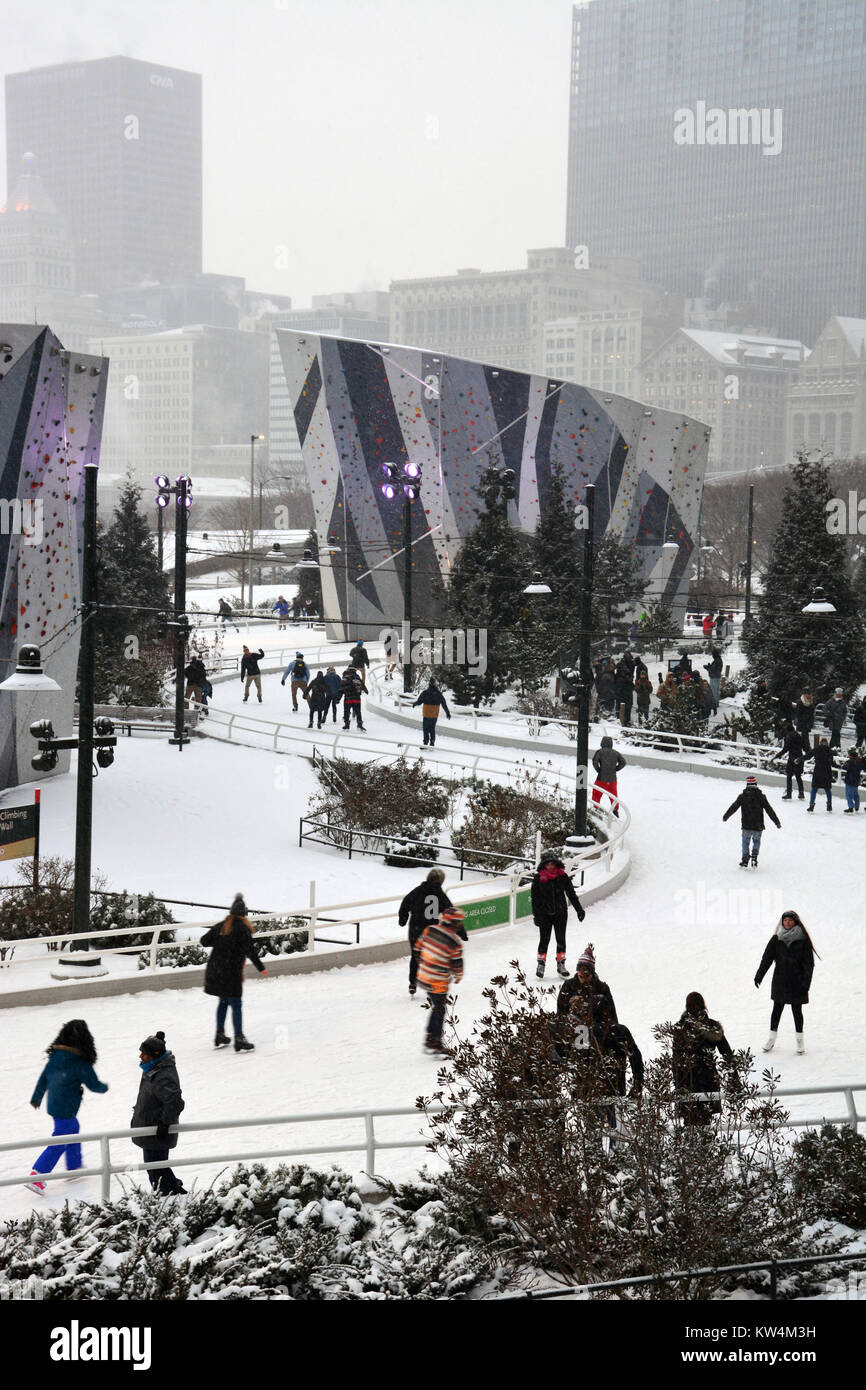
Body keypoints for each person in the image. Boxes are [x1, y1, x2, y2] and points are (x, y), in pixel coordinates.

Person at [27, 1020, 109, 1193]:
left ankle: (74, 1166)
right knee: (60, 1140)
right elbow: (93, 1084)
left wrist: (36, 1098)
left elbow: (44, 1078)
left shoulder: (56, 1057)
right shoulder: (79, 1061)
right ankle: (37, 1176)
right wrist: (104, 1087)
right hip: (66, 1106)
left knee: (73, 1129)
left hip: (55, 1103)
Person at [200, 893, 267, 1052]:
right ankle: (239, 1038)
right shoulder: (243, 928)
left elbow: (204, 941)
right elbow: (250, 951)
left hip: (216, 970)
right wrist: (261, 968)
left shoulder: (222, 926)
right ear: (244, 914)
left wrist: (221, 941)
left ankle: (220, 1034)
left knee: (223, 1002)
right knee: (236, 1004)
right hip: (231, 972)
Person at [754, 910, 817, 1055]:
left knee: (797, 1011)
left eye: (790, 920)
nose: (787, 923)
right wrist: (759, 975)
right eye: (785, 920)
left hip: (797, 982)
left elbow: (809, 964)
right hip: (780, 981)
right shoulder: (776, 938)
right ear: (782, 922)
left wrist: (805, 984)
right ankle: (771, 1039)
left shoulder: (803, 940)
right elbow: (767, 959)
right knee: (776, 1010)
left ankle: (800, 1040)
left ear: (795, 922)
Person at [131, 1031, 186, 1195]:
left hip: (156, 1132)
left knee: (156, 1170)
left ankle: (168, 1197)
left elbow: (175, 1103)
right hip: (151, 1129)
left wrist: (164, 1124)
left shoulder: (162, 1075)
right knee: (157, 1167)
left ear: (154, 1056)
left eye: (144, 1054)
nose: (140, 1056)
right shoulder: (154, 1069)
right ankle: (173, 1193)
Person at [398, 867, 465, 996]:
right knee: (433, 956)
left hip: (415, 928)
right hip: (432, 932)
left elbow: (405, 903)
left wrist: (403, 918)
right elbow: (451, 912)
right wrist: (461, 932)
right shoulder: (440, 895)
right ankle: (432, 981)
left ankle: (413, 982)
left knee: (415, 955)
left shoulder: (417, 892)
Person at [671, 993, 735, 1126]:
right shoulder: (712, 1027)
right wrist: (734, 1077)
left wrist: (677, 1082)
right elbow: (727, 1053)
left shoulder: (680, 1028)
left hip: (686, 1081)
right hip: (707, 1079)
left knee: (689, 1123)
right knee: (706, 1121)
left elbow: (675, 1060)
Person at [416, 907, 465, 1055]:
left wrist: (426, 964)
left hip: (423, 977)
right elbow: (457, 964)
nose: (461, 925)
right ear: (454, 923)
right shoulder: (455, 942)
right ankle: (434, 1041)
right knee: (440, 1009)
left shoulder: (429, 930)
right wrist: (458, 976)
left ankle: (431, 1037)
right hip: (438, 981)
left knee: (437, 1007)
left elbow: (417, 949)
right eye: (459, 922)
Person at [530, 855, 586, 979]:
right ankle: (541, 964)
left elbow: (571, 894)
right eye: (548, 864)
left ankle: (561, 964)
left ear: (556, 864)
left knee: (561, 939)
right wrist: (536, 915)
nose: (550, 866)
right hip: (544, 914)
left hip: (560, 913)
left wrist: (579, 909)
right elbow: (535, 899)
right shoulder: (538, 878)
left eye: (552, 864)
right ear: (544, 865)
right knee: (544, 939)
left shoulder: (562, 877)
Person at [722, 774, 781, 868]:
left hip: (746, 825)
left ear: (747, 785)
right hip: (758, 826)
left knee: (745, 842)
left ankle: (745, 860)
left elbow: (734, 807)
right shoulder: (761, 796)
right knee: (756, 841)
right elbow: (769, 810)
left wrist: (726, 816)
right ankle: (754, 857)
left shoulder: (742, 796)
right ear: (756, 784)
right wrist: (776, 822)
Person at [557, 943, 617, 1022]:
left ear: (592, 974)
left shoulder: (602, 988)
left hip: (597, 1028)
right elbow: (561, 1013)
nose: (583, 980)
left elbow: (612, 1017)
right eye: (581, 976)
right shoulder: (568, 986)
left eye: (587, 976)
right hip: (572, 1028)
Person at [591, 734, 626, 815]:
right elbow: (623, 762)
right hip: (612, 779)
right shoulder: (616, 753)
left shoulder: (599, 752)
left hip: (601, 778)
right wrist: (616, 769)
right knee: (613, 795)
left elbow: (594, 761)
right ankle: (615, 809)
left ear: (602, 743)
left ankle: (595, 808)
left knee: (596, 793)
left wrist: (598, 770)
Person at [413, 680, 451, 747]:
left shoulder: (425, 693)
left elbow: (419, 701)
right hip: (434, 714)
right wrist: (447, 713)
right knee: (432, 728)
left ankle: (425, 743)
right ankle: (432, 742)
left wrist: (415, 704)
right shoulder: (438, 693)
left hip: (426, 714)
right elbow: (443, 703)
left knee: (426, 729)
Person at [804, 737, 835, 812]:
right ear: (827, 743)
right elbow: (831, 761)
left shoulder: (817, 749)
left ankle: (811, 806)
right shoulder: (829, 750)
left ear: (820, 743)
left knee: (814, 789)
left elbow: (808, 756)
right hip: (826, 772)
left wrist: (800, 759)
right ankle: (829, 805)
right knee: (827, 789)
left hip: (818, 771)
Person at [779, 724, 809, 800]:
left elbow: (785, 749)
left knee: (789, 776)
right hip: (799, 758)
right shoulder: (799, 736)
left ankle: (789, 794)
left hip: (792, 759)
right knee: (798, 776)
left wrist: (777, 755)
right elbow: (805, 747)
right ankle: (801, 793)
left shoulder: (788, 737)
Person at [340, 664, 366, 730]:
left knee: (346, 711)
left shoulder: (345, 677)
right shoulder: (357, 676)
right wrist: (365, 690)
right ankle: (359, 724)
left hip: (348, 698)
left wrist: (338, 697)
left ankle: (346, 724)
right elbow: (362, 684)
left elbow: (341, 688)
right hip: (356, 698)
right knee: (358, 712)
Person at [842, 747, 863, 812]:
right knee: (855, 794)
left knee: (849, 795)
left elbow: (844, 767)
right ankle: (857, 806)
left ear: (851, 756)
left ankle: (851, 807)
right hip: (856, 780)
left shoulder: (849, 762)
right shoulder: (859, 762)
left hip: (850, 780)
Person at [613, 659, 634, 726]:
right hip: (627, 698)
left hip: (622, 698)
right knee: (626, 713)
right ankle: (626, 723)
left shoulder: (620, 678)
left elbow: (618, 688)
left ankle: (623, 723)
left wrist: (617, 694)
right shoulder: (627, 677)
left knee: (621, 713)